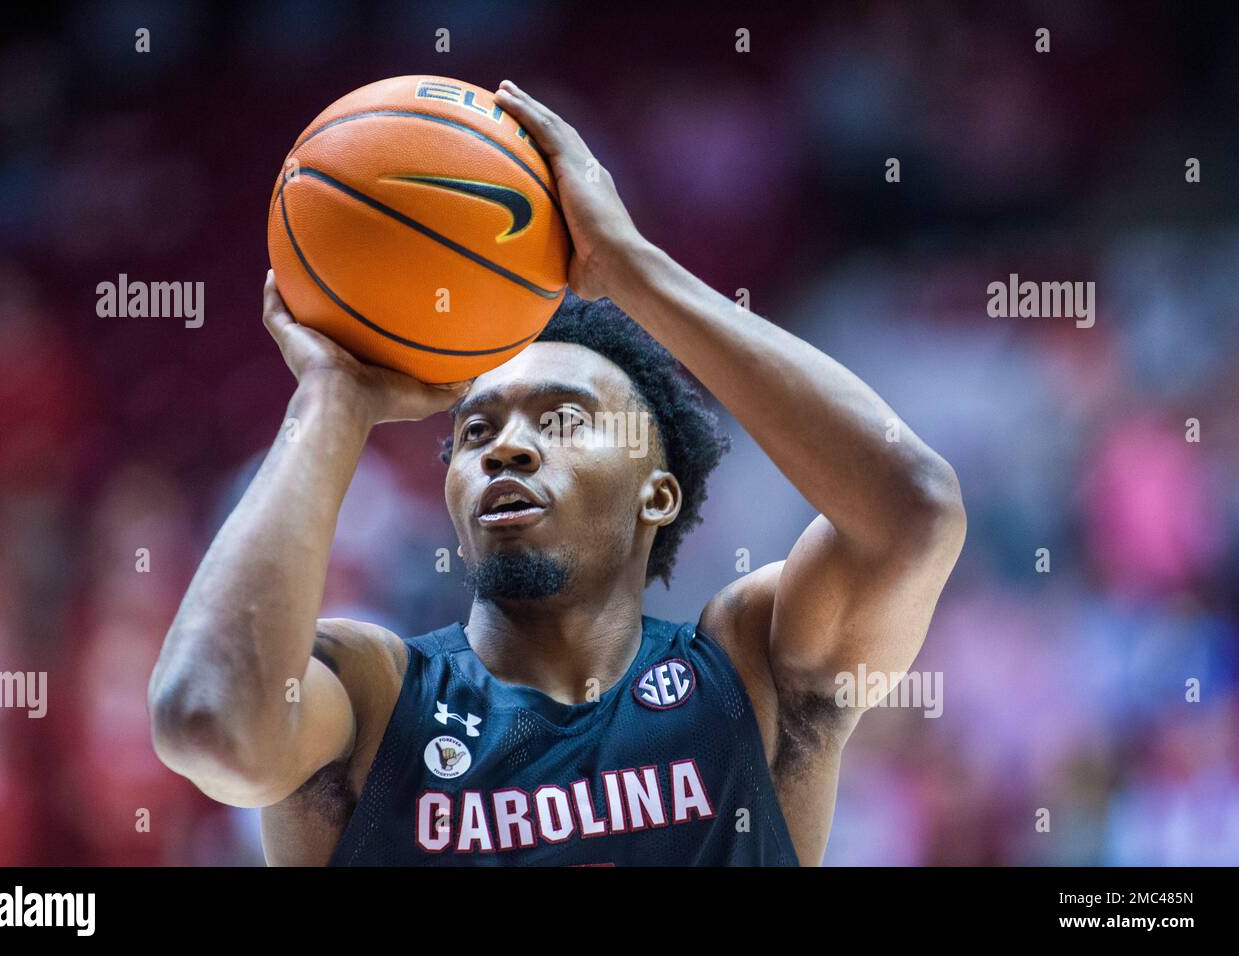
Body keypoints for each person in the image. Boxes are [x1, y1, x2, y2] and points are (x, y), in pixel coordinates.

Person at [148, 80, 965, 866]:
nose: (506, 447)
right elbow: (207, 721)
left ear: (659, 490)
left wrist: (629, 268)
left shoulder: (749, 670)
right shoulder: (372, 699)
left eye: (565, 420)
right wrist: (333, 397)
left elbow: (914, 510)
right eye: (474, 430)